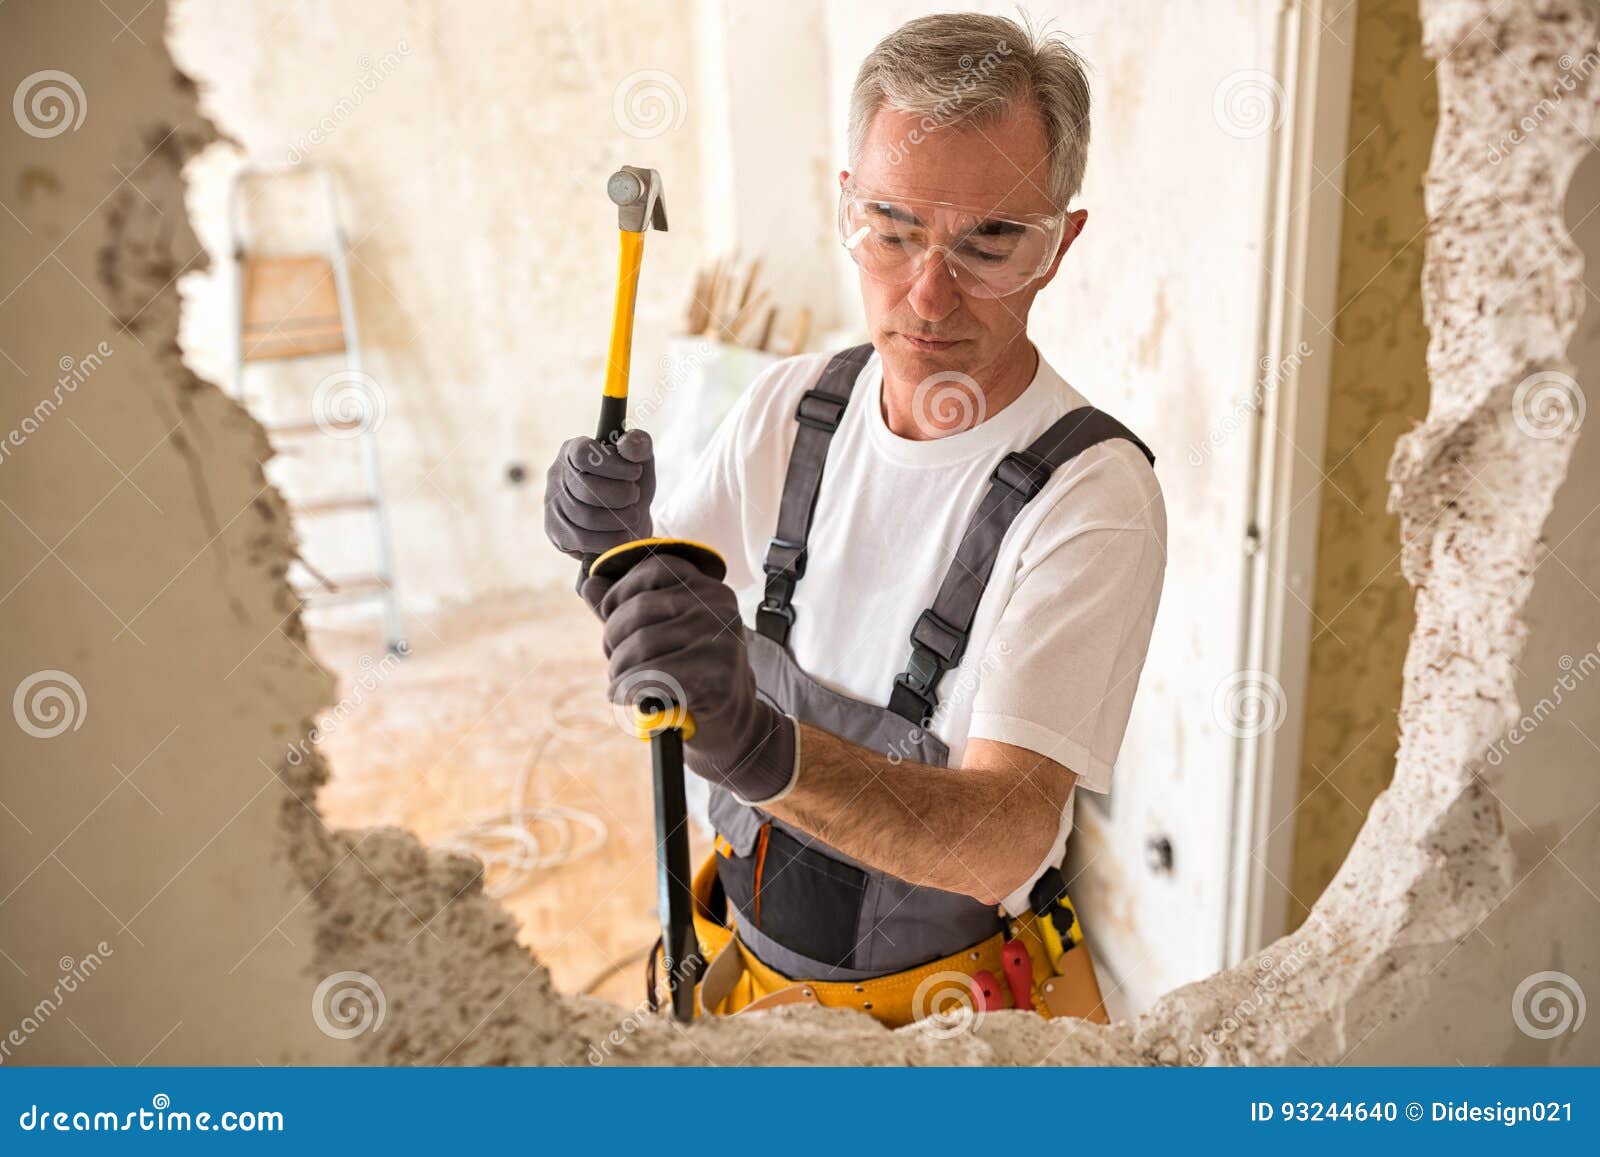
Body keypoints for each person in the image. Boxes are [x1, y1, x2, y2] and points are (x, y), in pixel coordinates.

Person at [545, 12, 1166, 1025]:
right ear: (847, 205)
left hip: (954, 1024)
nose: (927, 293)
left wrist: (759, 746)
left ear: (1059, 245)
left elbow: (1004, 834)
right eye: (891, 228)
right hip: (747, 978)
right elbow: (656, 617)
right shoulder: (798, 407)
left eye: (989, 240)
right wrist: (607, 550)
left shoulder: (1090, 500)